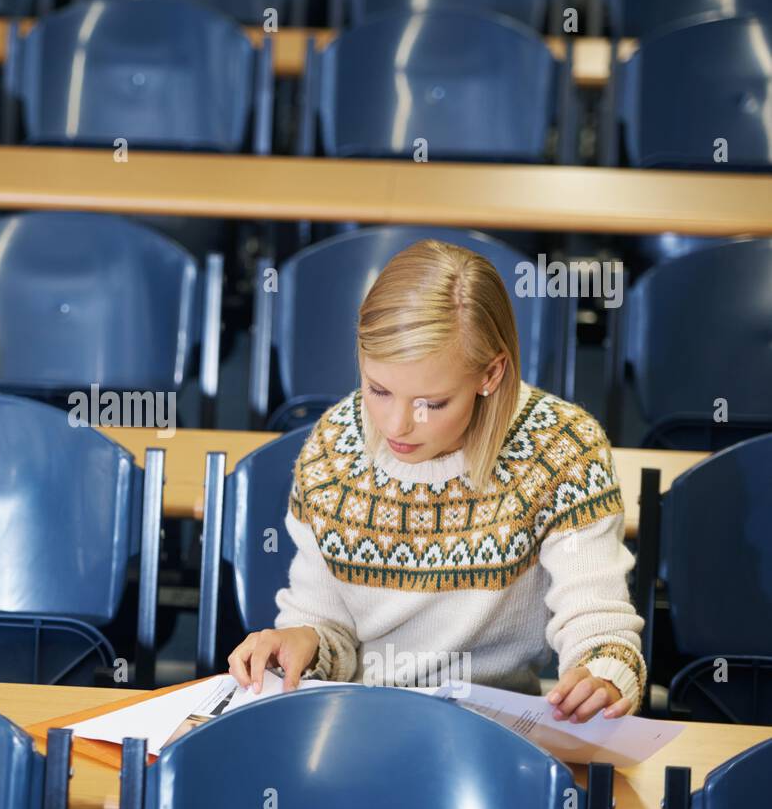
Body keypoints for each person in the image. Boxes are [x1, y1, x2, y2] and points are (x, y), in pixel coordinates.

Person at [228, 239, 645, 723]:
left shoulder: (562, 449)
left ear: (490, 373)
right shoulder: (335, 445)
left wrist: (604, 672)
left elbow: (596, 618)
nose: (396, 425)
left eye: (431, 403)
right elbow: (324, 623)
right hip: (360, 724)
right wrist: (301, 640)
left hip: (495, 732)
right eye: (378, 389)